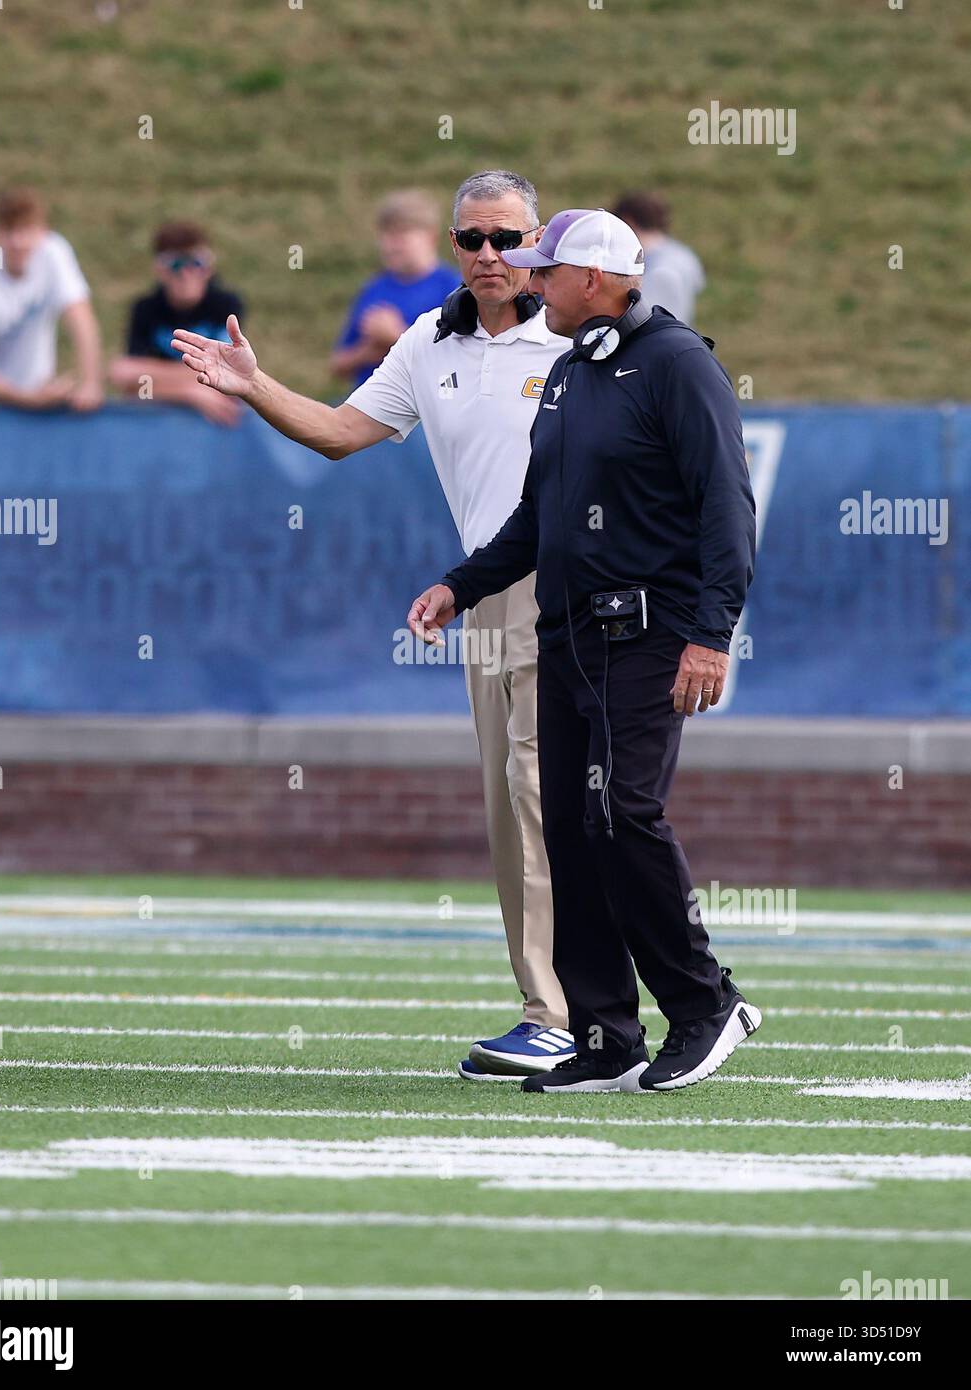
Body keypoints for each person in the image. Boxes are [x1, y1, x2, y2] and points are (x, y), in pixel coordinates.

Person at [171, 170, 576, 1081]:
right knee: (514, 806)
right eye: (470, 239)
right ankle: (588, 1005)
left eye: (506, 238)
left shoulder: (579, 334)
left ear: (539, 239)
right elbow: (339, 431)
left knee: (542, 792)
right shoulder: (430, 338)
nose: (487, 256)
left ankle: (565, 1011)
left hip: (573, 588)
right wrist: (255, 384)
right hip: (489, 589)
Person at [407, 209, 761, 1094]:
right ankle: (606, 1031)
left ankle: (705, 1003)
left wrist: (709, 638)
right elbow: (538, 517)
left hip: (647, 634)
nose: (530, 282)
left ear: (596, 281)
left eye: (545, 271)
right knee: (566, 827)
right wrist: (463, 583)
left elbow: (727, 509)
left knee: (624, 816)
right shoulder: (570, 371)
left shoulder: (679, 365)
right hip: (565, 633)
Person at [0, 188, 103, 411]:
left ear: (42, 231)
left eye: (27, 229)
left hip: (30, 409)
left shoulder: (54, 252)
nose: (18, 242)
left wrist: (90, 383)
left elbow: (81, 319)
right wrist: (30, 399)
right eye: (9, 230)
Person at [110, 221, 245, 426]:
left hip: (215, 422)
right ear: (160, 270)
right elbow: (126, 379)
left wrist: (156, 377)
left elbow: (229, 372)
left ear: (209, 268)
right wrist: (189, 393)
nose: (187, 274)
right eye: (176, 265)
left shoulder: (225, 305)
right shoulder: (146, 309)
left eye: (197, 263)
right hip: (157, 422)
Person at [330, 190, 459, 388]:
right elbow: (337, 364)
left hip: (423, 407)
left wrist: (396, 337)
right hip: (365, 404)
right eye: (387, 235)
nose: (392, 245)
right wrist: (366, 353)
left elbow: (460, 360)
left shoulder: (453, 290)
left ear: (431, 237)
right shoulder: (373, 289)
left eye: (402, 234)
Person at [611, 191, 705, 325]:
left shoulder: (654, 268)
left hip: (659, 340)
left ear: (628, 221)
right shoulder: (685, 255)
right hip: (684, 335)